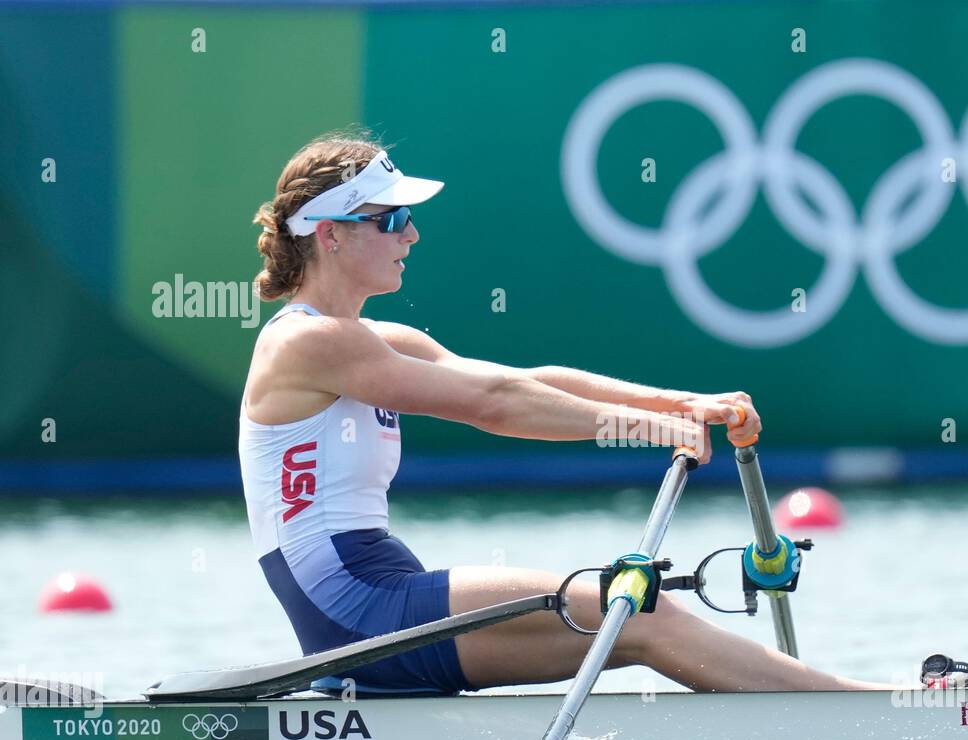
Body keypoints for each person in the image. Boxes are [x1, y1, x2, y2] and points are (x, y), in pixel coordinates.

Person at [243, 132, 894, 695]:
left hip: (374, 606)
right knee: (636, 611)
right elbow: (495, 407)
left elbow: (524, 380)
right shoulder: (308, 343)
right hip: (360, 612)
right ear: (329, 235)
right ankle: (873, 703)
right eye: (391, 219)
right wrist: (648, 431)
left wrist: (680, 404)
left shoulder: (372, 341)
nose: (411, 233)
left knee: (633, 622)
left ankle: (834, 701)